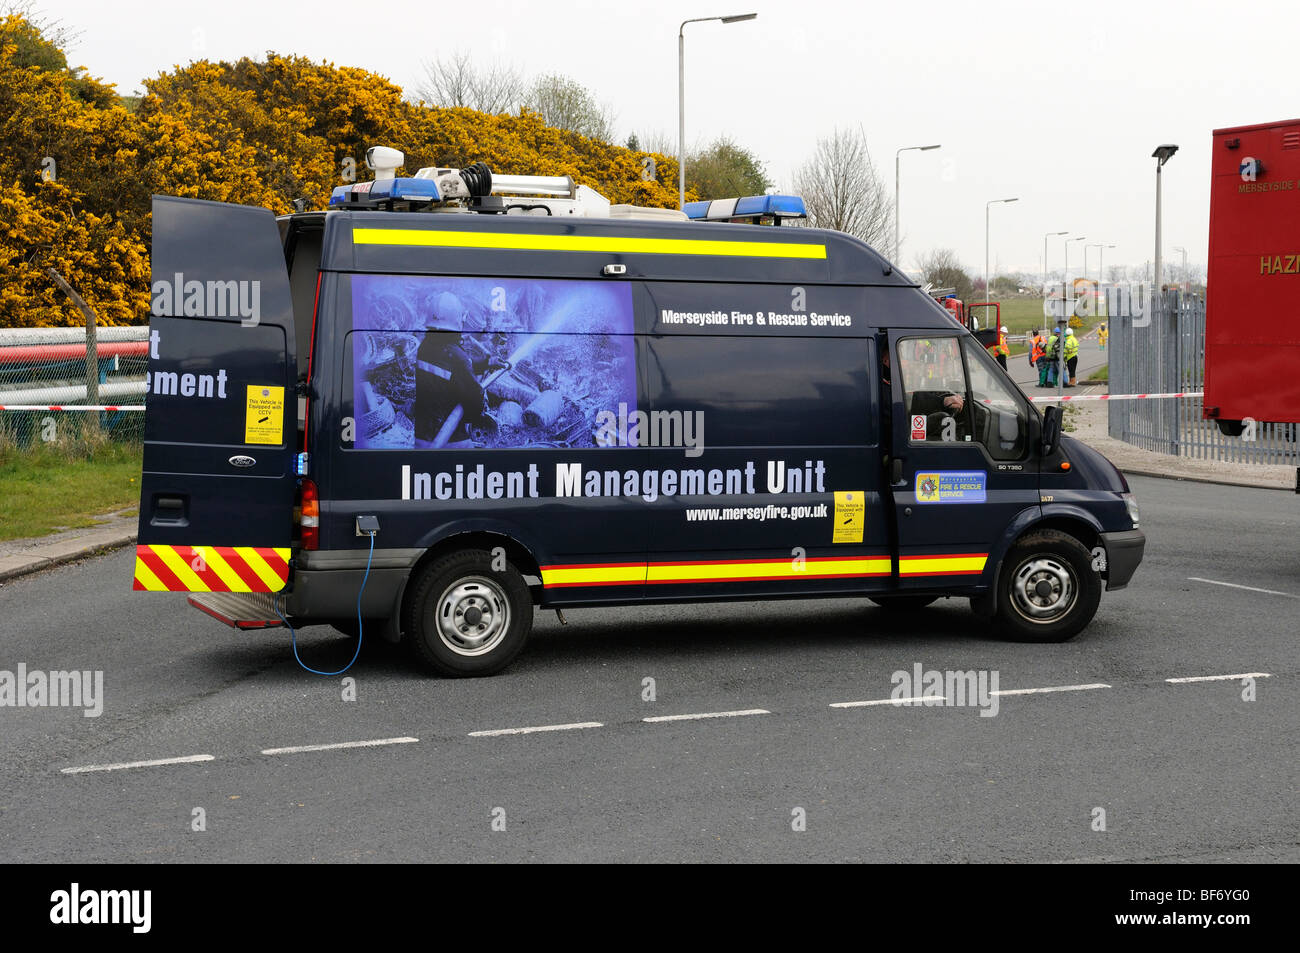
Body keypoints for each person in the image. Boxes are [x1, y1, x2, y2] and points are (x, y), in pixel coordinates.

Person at [413, 292, 509, 448]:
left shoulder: (424, 348)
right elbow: (474, 401)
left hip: (421, 437)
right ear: (458, 321)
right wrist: (474, 415)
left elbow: (449, 366)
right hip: (450, 439)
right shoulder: (458, 358)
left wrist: (486, 363)